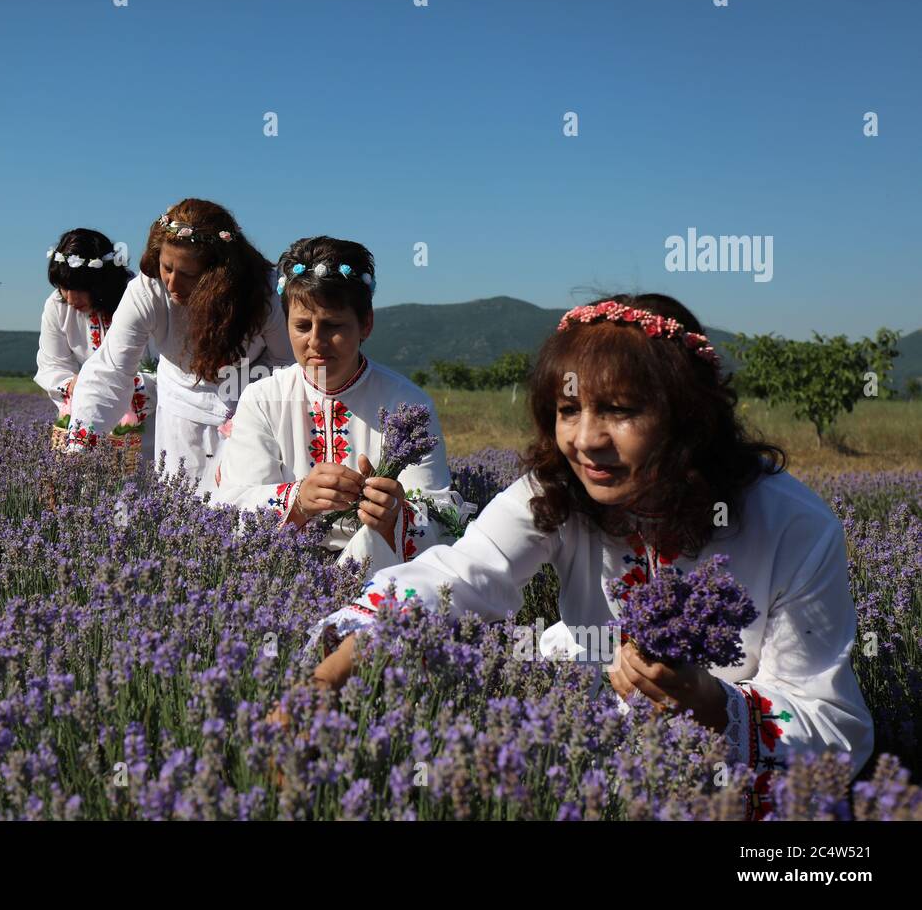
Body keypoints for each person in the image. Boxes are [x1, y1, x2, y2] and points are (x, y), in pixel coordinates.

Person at [303, 294, 874, 820]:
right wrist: (330, 676)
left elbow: (830, 724)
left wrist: (706, 700)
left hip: (713, 774)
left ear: (688, 418)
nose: (586, 440)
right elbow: (460, 577)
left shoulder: (793, 526)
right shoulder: (556, 487)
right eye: (569, 409)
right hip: (580, 730)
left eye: (620, 411)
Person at [214, 236, 467, 577]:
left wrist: (396, 515)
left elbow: (439, 516)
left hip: (379, 577)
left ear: (366, 324)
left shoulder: (408, 405)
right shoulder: (262, 400)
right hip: (281, 577)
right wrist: (298, 500)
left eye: (333, 326)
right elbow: (231, 507)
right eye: (302, 326)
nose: (315, 341)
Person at [65, 199, 294, 493]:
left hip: (248, 406)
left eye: (187, 274)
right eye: (167, 267)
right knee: (183, 504)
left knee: (244, 506)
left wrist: (252, 410)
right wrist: (81, 446)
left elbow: (288, 363)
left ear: (219, 276)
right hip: (180, 412)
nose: (172, 283)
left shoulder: (262, 292)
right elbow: (111, 370)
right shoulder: (147, 291)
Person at [34, 228, 155, 453]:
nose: (70, 299)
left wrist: (123, 392)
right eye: (63, 288)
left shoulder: (140, 298)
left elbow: (161, 364)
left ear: (102, 283)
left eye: (79, 289)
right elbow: (52, 363)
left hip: (147, 425)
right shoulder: (57, 305)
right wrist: (72, 385)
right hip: (86, 419)